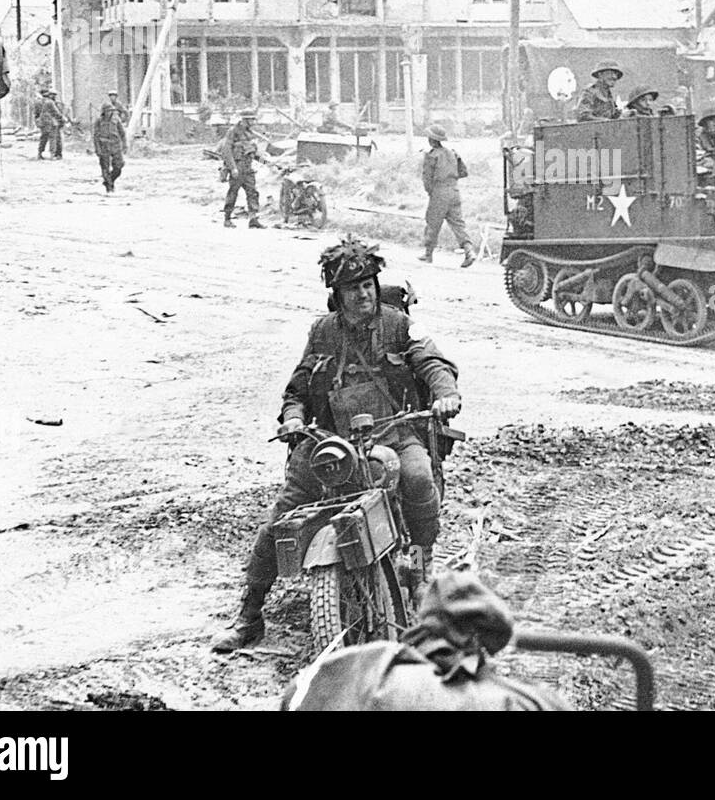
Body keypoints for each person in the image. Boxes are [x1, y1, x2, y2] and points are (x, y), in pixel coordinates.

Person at [211, 237, 461, 653]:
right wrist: (293, 419)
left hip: (394, 432)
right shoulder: (322, 333)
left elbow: (432, 362)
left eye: (368, 284)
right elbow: (298, 389)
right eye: (352, 288)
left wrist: (445, 394)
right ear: (337, 294)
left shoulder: (398, 324)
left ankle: (420, 563)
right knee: (282, 516)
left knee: (418, 477)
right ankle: (249, 615)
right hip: (332, 443)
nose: (363, 294)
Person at [281, 571, 566, 711]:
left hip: (400, 511)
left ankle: (418, 573)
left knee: (417, 487)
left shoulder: (342, 675)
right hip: (344, 473)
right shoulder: (521, 700)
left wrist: (415, 568)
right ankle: (251, 609)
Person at [420, 124, 476, 267]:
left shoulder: (431, 156)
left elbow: (427, 179)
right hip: (454, 191)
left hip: (440, 192)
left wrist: (432, 191)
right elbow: (464, 172)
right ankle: (469, 251)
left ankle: (428, 254)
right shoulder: (453, 153)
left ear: (431, 139)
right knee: (458, 224)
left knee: (433, 223)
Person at [221, 108, 265, 228]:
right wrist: (233, 168)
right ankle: (227, 218)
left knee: (253, 192)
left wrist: (265, 161)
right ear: (246, 120)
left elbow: (252, 152)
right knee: (233, 193)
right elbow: (226, 151)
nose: (254, 121)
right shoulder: (233, 131)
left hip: (248, 167)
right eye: (252, 119)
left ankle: (253, 219)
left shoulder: (249, 133)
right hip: (237, 166)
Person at [92, 102, 127, 194]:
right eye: (108, 111)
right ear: (104, 112)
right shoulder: (99, 121)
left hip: (115, 145)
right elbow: (95, 136)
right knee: (105, 168)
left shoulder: (116, 120)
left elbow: (122, 133)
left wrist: (125, 145)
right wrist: (97, 149)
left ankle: (110, 180)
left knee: (119, 167)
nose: (110, 113)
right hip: (104, 146)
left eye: (112, 111)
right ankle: (109, 187)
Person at [35, 89, 64, 160]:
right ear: (50, 95)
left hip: (43, 123)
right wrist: (62, 119)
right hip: (52, 123)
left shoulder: (39, 102)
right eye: (53, 95)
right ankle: (53, 155)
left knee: (43, 139)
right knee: (53, 139)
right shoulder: (50, 102)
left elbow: (36, 114)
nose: (54, 96)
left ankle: (39, 154)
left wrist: (38, 122)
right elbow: (56, 112)